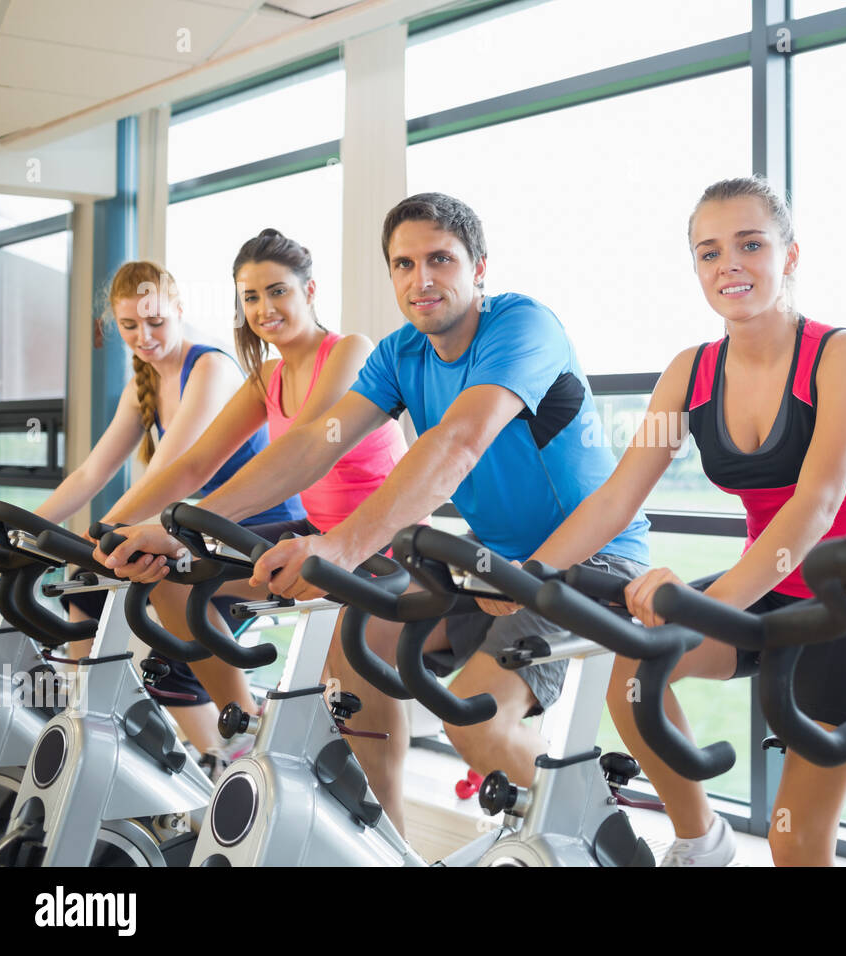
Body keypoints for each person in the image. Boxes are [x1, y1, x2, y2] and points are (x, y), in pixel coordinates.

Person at [99, 194, 650, 833]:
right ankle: (381, 837)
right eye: (404, 264)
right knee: (359, 642)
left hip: (585, 558)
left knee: (472, 716)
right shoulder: (399, 354)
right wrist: (178, 525)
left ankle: (606, 837)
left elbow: (458, 442)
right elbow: (311, 444)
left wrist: (339, 547)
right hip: (492, 561)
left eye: (440, 259)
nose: (422, 280)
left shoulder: (524, 326)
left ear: (478, 268)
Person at [492, 177, 846, 866]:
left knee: (795, 838)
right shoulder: (690, 372)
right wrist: (532, 573)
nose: (730, 266)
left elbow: (819, 503)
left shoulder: (842, 353)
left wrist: (704, 609)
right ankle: (701, 840)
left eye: (751, 244)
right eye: (709, 252)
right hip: (767, 591)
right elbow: (618, 497)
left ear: (790, 254)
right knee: (634, 669)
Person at [92, 230, 407, 774]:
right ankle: (244, 727)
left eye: (277, 291)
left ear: (310, 290)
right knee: (171, 575)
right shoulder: (268, 374)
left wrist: (186, 519)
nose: (265, 308)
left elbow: (302, 447)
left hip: (376, 540)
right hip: (313, 533)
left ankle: (385, 831)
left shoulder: (349, 350)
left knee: (353, 691)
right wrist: (108, 529)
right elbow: (192, 465)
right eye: (251, 297)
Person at [34, 258, 304, 754]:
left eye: (156, 322)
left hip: (258, 523)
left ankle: (233, 751)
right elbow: (91, 473)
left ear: (180, 310)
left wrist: (106, 533)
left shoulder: (211, 368)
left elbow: (174, 470)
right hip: (196, 527)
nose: (144, 336)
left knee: (170, 635)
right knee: (87, 588)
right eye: (130, 326)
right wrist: (32, 528)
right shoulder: (146, 386)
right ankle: (86, 723)